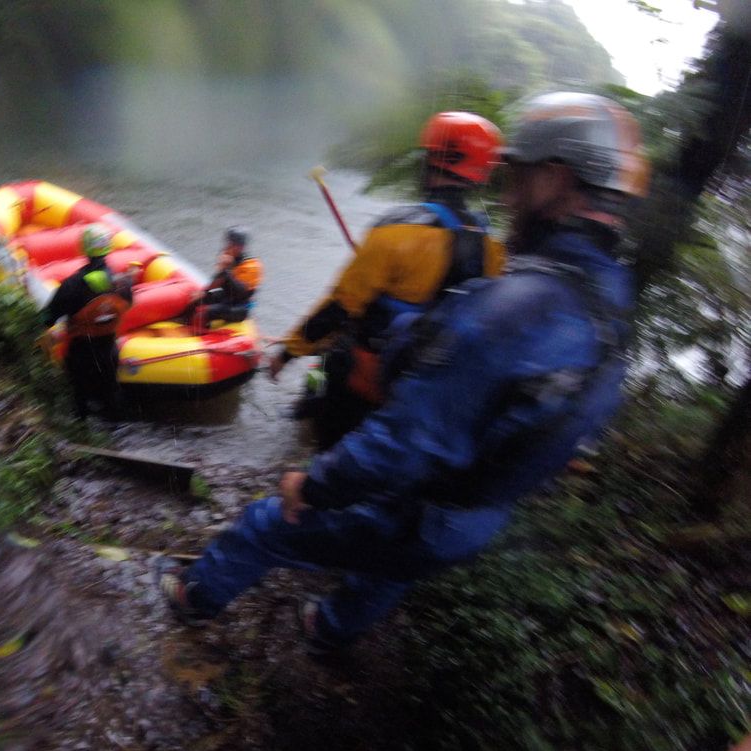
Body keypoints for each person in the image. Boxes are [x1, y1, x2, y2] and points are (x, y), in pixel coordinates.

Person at [158, 91, 649, 654]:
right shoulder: (598, 301)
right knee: (391, 565)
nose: (509, 193)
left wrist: (291, 356)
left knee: (281, 517)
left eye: (520, 177)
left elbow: (343, 312)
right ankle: (329, 626)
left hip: (394, 414)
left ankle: (194, 596)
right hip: (477, 511)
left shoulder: (461, 268)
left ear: (556, 179)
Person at [269, 112, 506, 449]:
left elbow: (338, 308)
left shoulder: (394, 229)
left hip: (366, 381)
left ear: (429, 160)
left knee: (333, 365)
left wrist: (287, 352)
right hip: (426, 386)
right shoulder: (493, 247)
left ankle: (312, 435)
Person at [42, 223, 134, 420]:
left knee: (80, 403)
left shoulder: (73, 284)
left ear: (84, 248)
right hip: (109, 352)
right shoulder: (123, 282)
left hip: (82, 355)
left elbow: (48, 317)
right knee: (111, 398)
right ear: (108, 247)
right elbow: (127, 304)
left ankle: (83, 431)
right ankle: (116, 432)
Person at [190, 226, 263, 333]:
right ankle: (190, 325)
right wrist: (203, 292)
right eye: (228, 242)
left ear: (241, 247)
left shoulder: (252, 266)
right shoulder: (228, 255)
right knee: (196, 301)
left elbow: (241, 293)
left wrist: (225, 269)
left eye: (231, 243)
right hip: (227, 297)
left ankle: (198, 337)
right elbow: (219, 279)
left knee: (202, 313)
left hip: (240, 306)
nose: (228, 246)